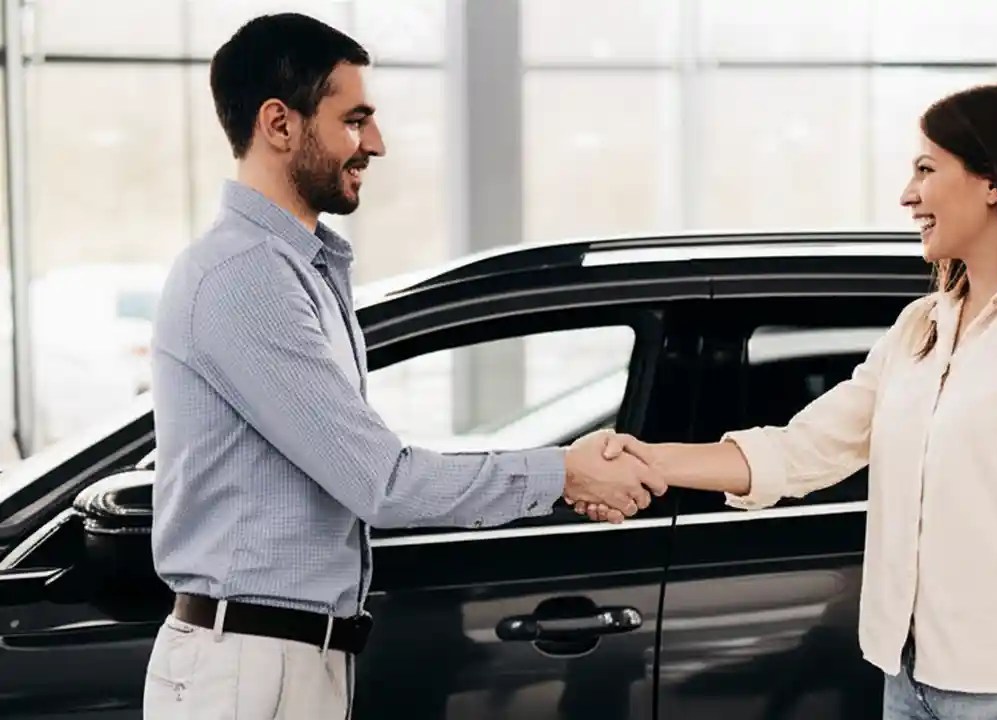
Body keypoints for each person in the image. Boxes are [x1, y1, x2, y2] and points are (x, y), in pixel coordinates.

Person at [576, 82, 997, 720]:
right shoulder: (922, 326)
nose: (908, 195)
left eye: (926, 169)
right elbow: (802, 451)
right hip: (907, 676)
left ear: (993, 181)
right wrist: (646, 458)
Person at [144, 13, 663, 720]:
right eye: (354, 120)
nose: (376, 144)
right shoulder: (246, 279)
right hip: (248, 670)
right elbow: (381, 482)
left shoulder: (298, 270)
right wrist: (565, 472)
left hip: (287, 659)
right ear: (279, 123)